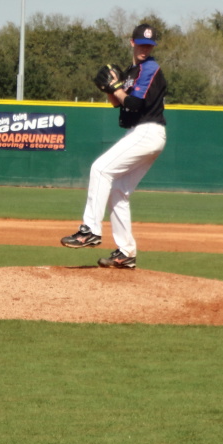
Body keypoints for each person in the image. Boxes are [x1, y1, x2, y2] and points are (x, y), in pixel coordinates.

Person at [60, 23, 167, 269]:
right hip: (143, 134)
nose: (144, 48)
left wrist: (117, 88)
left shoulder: (150, 68)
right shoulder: (131, 71)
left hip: (148, 131)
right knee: (118, 190)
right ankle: (126, 253)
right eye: (141, 43)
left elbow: (134, 103)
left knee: (100, 169)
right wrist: (109, 89)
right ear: (132, 42)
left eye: (149, 45)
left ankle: (89, 230)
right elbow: (117, 103)